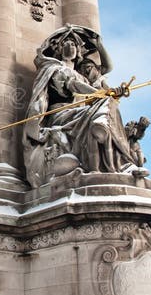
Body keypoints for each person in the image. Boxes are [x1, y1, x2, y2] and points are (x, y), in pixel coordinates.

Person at [22, 25, 138, 187]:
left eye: (74, 44)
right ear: (59, 49)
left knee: (109, 104)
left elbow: (105, 69)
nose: (71, 46)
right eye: (66, 43)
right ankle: (102, 130)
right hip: (61, 115)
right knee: (104, 103)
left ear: (78, 51)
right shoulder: (54, 68)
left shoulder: (83, 74)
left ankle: (122, 162)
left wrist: (113, 92)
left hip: (81, 113)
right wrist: (101, 94)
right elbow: (73, 85)